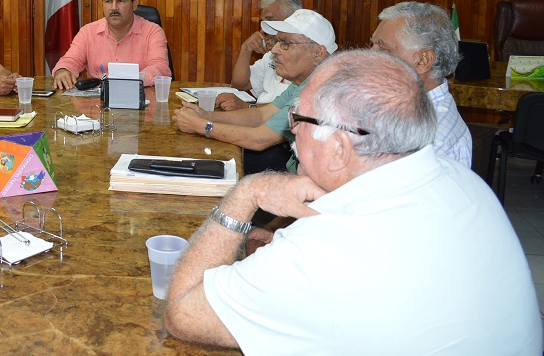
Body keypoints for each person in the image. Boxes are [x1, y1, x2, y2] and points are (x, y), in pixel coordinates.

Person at [165, 50, 541, 355]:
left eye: (298, 118)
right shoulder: (463, 180)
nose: (291, 128)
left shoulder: (325, 251)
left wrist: (247, 193)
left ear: (340, 147)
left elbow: (183, 312)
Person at [173, 9, 336, 163]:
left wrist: (200, 125)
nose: (274, 50)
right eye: (278, 41)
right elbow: (261, 115)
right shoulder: (305, 81)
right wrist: (206, 116)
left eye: (286, 43)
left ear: (318, 53)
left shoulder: (321, 90)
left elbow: (260, 139)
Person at [370, 1, 472, 167]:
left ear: (423, 61)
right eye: (372, 44)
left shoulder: (432, 141)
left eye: (383, 48)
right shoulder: (408, 106)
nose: (369, 56)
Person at [51, 0, 170, 90]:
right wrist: (63, 70)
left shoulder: (152, 32)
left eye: (121, 1)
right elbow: (71, 60)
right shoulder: (88, 32)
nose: (114, 8)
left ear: (134, 4)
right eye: (108, 1)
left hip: (139, 96)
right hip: (96, 100)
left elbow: (160, 67)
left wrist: (132, 79)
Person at [217, 0, 301, 111]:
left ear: (293, 21)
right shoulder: (270, 56)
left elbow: (289, 109)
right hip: (258, 116)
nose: (264, 30)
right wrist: (246, 49)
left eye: (271, 21)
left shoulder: (304, 60)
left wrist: (246, 106)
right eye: (263, 23)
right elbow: (240, 84)